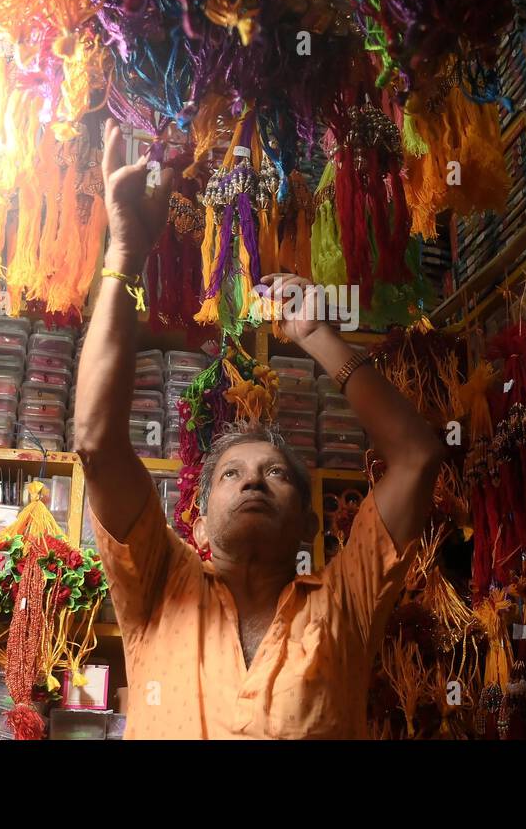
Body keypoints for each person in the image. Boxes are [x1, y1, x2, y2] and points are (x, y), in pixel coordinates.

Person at [74, 119, 445, 738]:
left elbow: (416, 458)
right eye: (231, 474)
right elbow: (95, 442)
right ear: (194, 519)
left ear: (307, 522)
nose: (254, 482)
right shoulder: (158, 587)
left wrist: (318, 338)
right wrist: (124, 258)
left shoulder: (342, 605)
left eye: (276, 474)